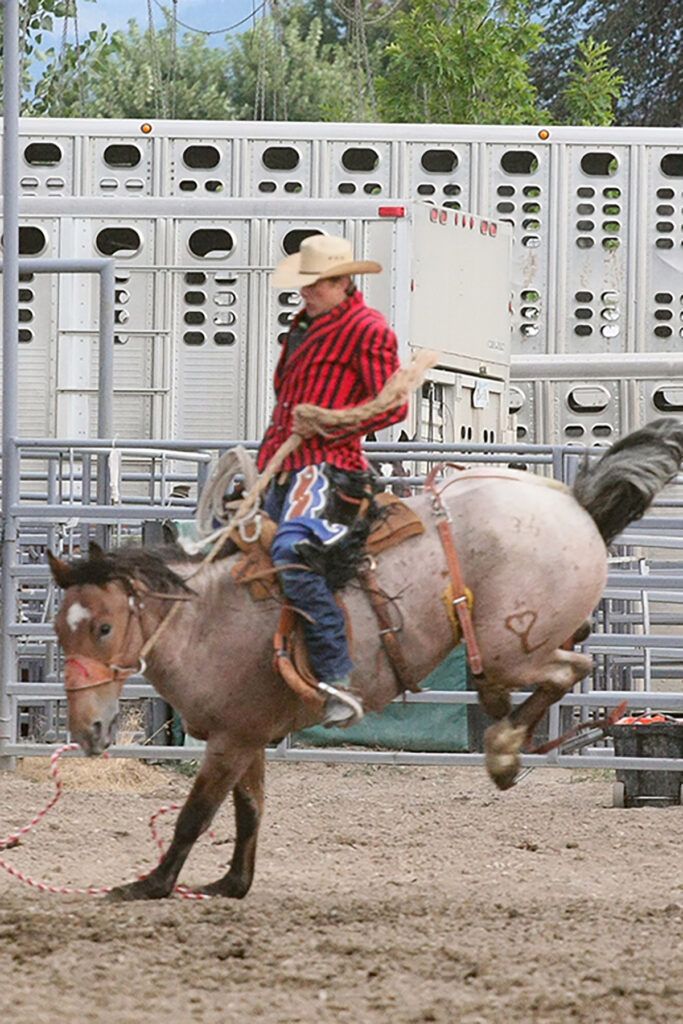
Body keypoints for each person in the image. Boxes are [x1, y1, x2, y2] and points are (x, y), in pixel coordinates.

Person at [257, 234, 407, 728]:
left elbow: (394, 403)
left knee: (292, 556)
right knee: (225, 553)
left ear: (343, 283)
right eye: (304, 284)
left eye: (315, 285)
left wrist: (328, 422)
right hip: (278, 465)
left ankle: (337, 675)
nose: (306, 293)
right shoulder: (301, 328)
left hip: (329, 467)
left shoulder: (368, 330)